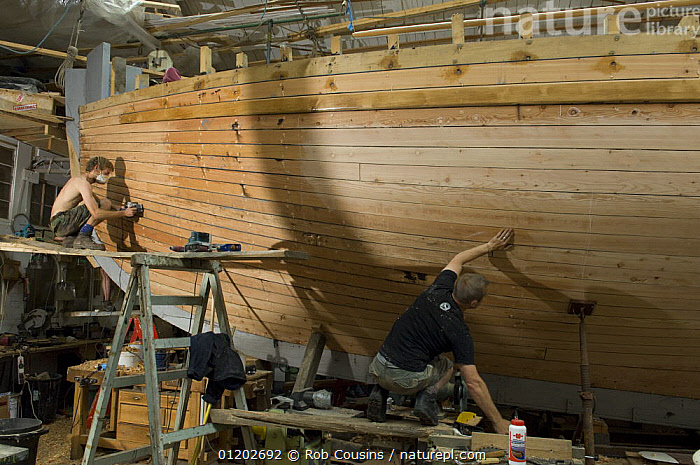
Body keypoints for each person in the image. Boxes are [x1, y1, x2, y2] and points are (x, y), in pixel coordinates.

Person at [367, 228, 515, 434]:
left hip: (376, 366)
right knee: (448, 365)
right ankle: (426, 398)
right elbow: (473, 383)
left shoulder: (438, 288)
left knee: (407, 352)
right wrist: (498, 421)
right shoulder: (459, 331)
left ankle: (379, 393)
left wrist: (490, 246)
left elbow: (459, 259)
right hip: (404, 380)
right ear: (473, 303)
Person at [50, 156, 137, 250]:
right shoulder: (83, 184)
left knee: (105, 203)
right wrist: (124, 213)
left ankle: (69, 239)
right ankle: (83, 236)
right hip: (61, 222)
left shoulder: (79, 180)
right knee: (105, 204)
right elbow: (96, 213)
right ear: (96, 168)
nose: (106, 177)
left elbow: (97, 200)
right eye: (106, 173)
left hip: (58, 224)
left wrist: (117, 207)